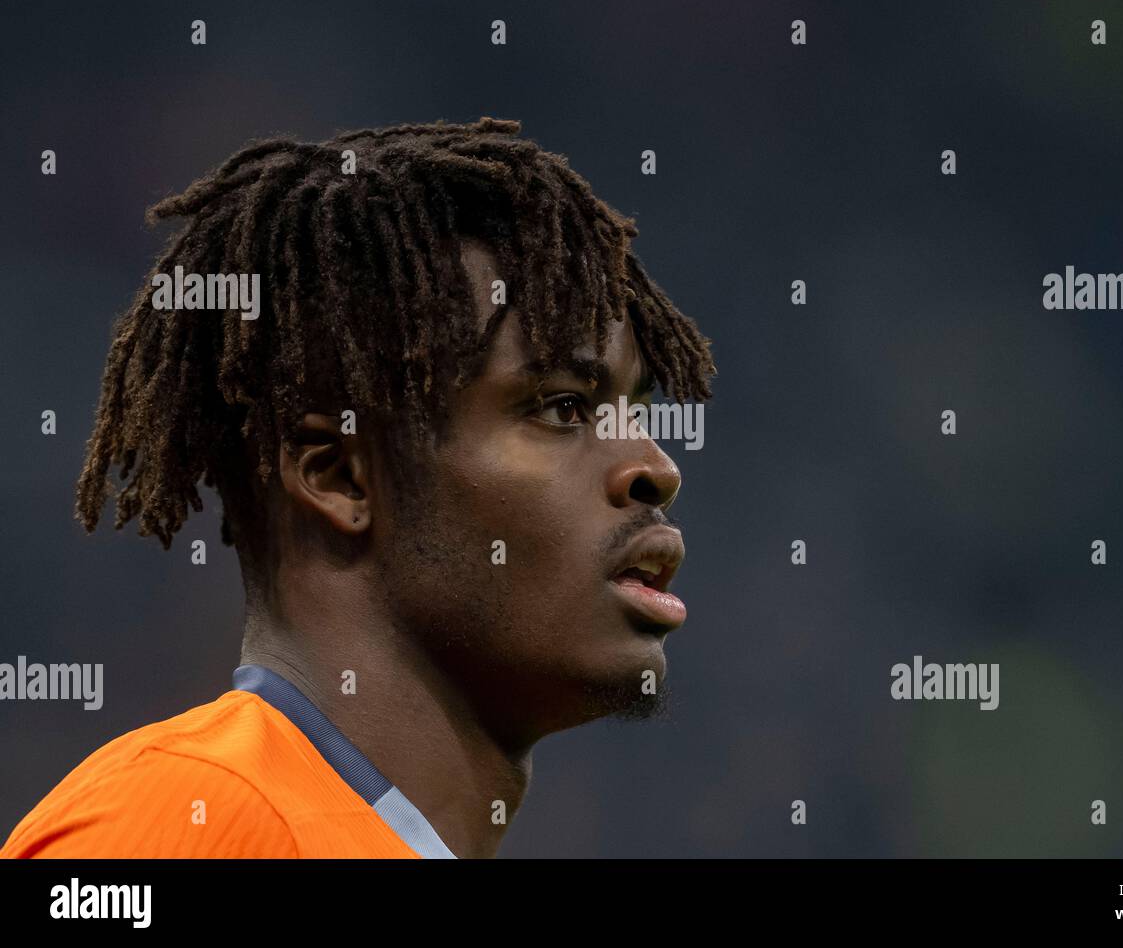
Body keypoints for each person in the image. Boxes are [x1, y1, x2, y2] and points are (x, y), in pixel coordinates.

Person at [1, 117, 716, 858]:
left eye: (639, 410)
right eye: (564, 407)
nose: (656, 468)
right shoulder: (189, 821)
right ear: (339, 477)